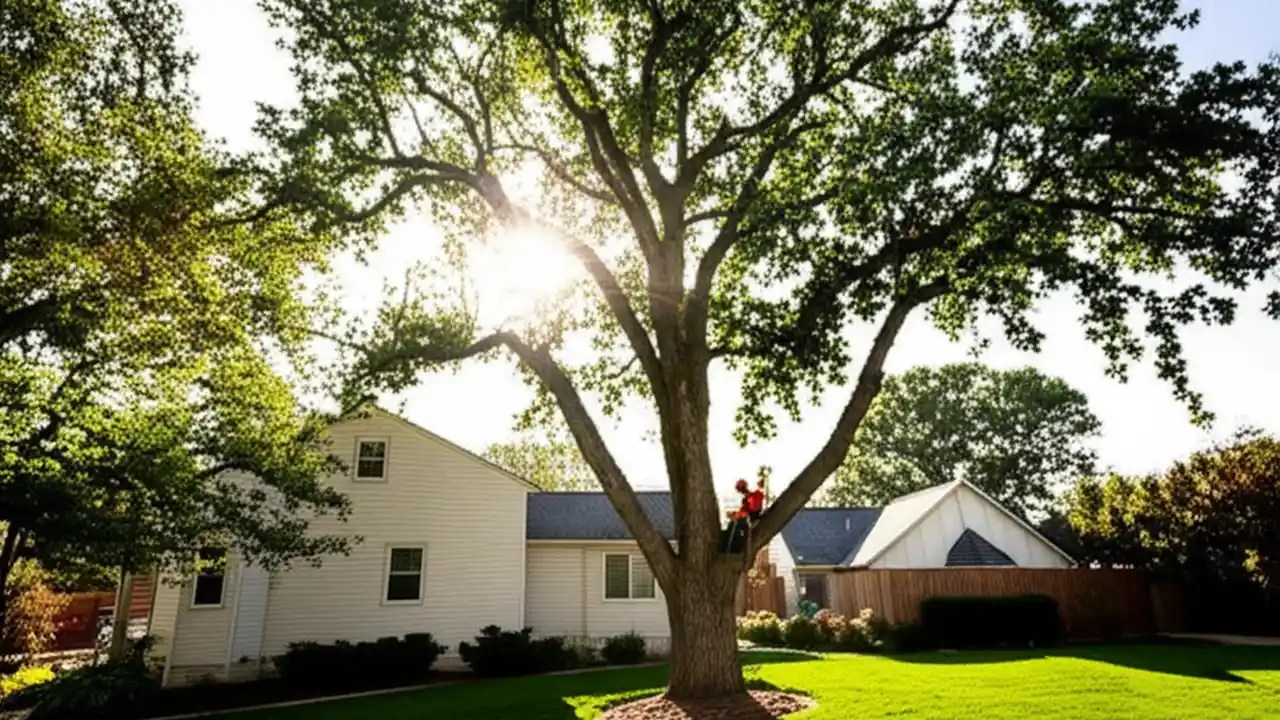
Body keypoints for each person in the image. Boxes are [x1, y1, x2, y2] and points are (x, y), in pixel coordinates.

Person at [723, 478, 766, 553]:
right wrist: (733, 515)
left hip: (753, 520)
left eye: (742, 490)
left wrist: (735, 515)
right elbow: (743, 511)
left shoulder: (754, 496)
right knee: (732, 525)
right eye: (741, 490)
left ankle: (733, 549)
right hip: (750, 519)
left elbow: (752, 509)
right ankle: (730, 547)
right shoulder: (748, 498)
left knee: (737, 527)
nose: (742, 492)